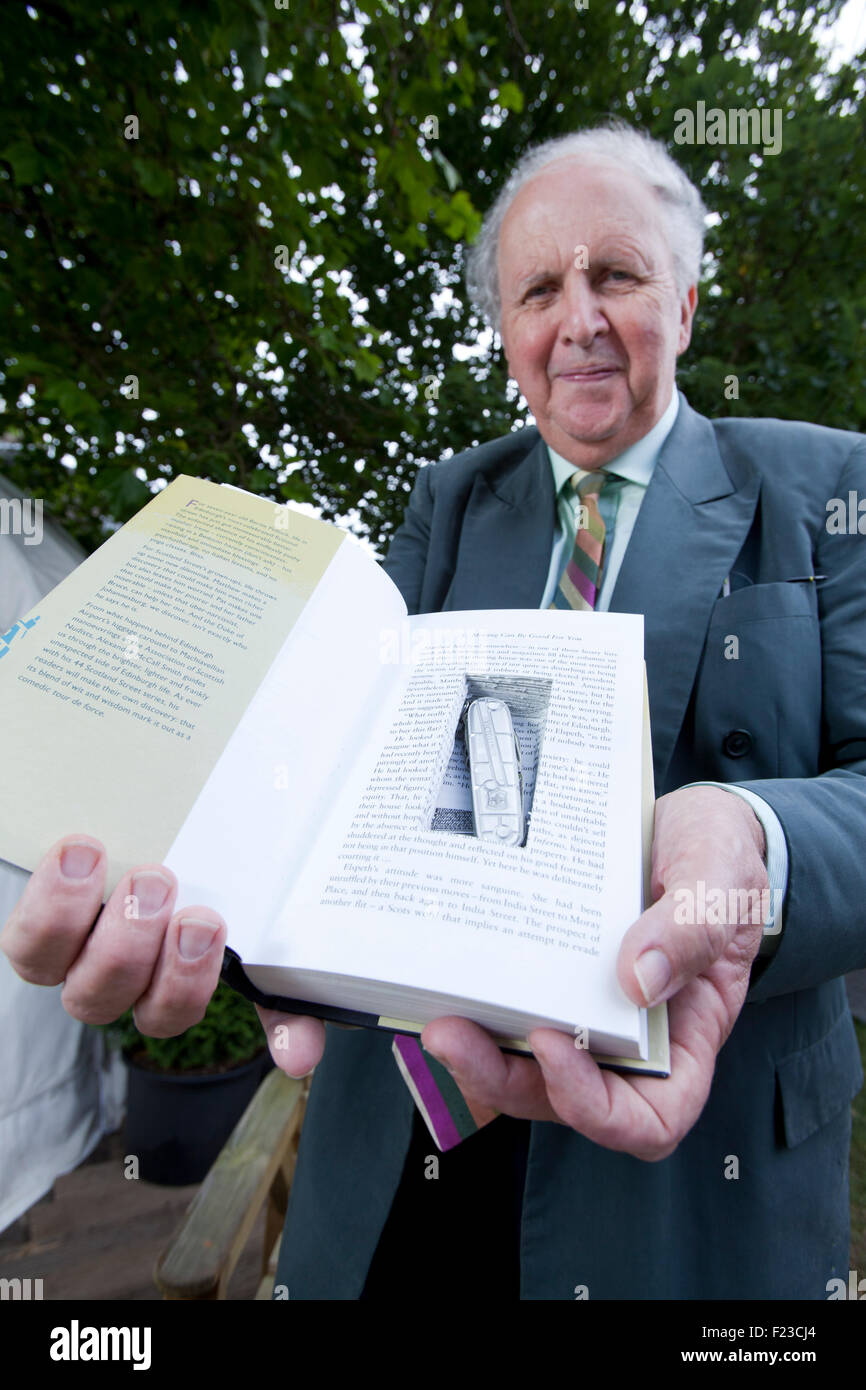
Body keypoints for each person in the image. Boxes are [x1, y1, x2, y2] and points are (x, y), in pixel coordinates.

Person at [2, 121, 865, 1300]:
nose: (577, 320)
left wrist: (747, 841)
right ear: (505, 330)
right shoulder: (451, 499)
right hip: (405, 1114)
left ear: (685, 301)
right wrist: (215, 859)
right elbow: (341, 739)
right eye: (537, 290)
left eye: (615, 275)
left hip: (677, 1164)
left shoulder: (826, 485)